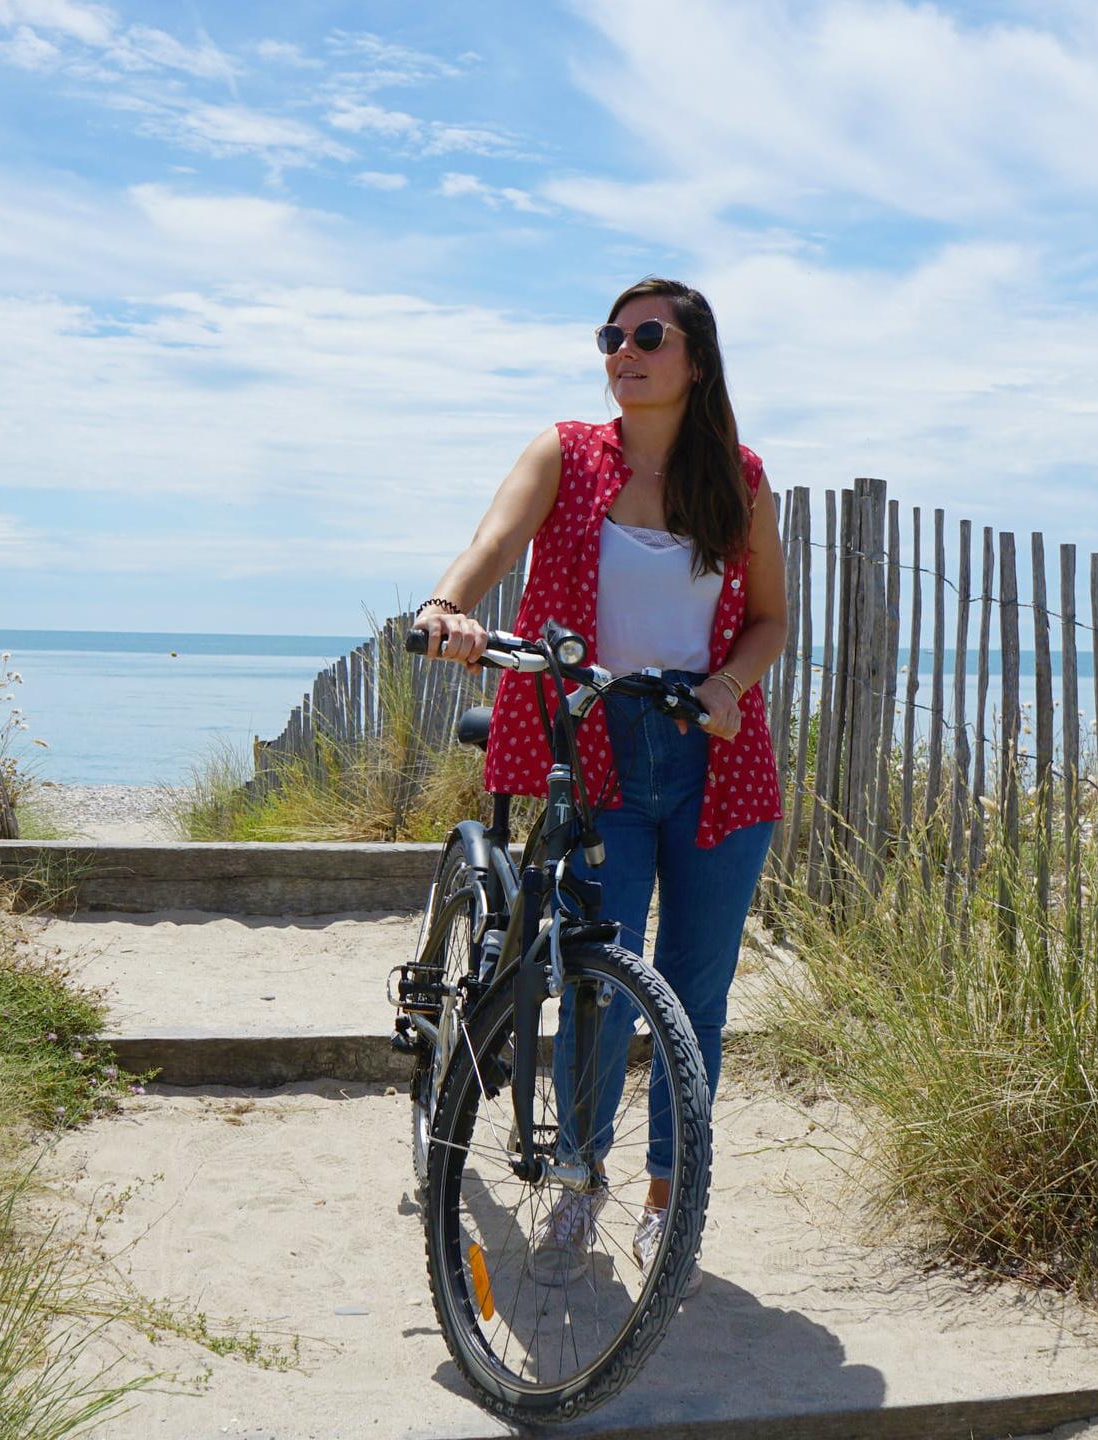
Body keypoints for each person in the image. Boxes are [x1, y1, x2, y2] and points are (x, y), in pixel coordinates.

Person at [413, 277, 786, 1296]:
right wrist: (451, 602)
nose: (622, 349)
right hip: (597, 745)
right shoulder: (568, 452)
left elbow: (771, 620)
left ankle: (670, 1199)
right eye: (610, 335)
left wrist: (727, 684)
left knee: (695, 999)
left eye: (647, 335)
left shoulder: (740, 480)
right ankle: (577, 1177)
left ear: (695, 360)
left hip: (715, 753)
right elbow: (495, 541)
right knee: (591, 980)